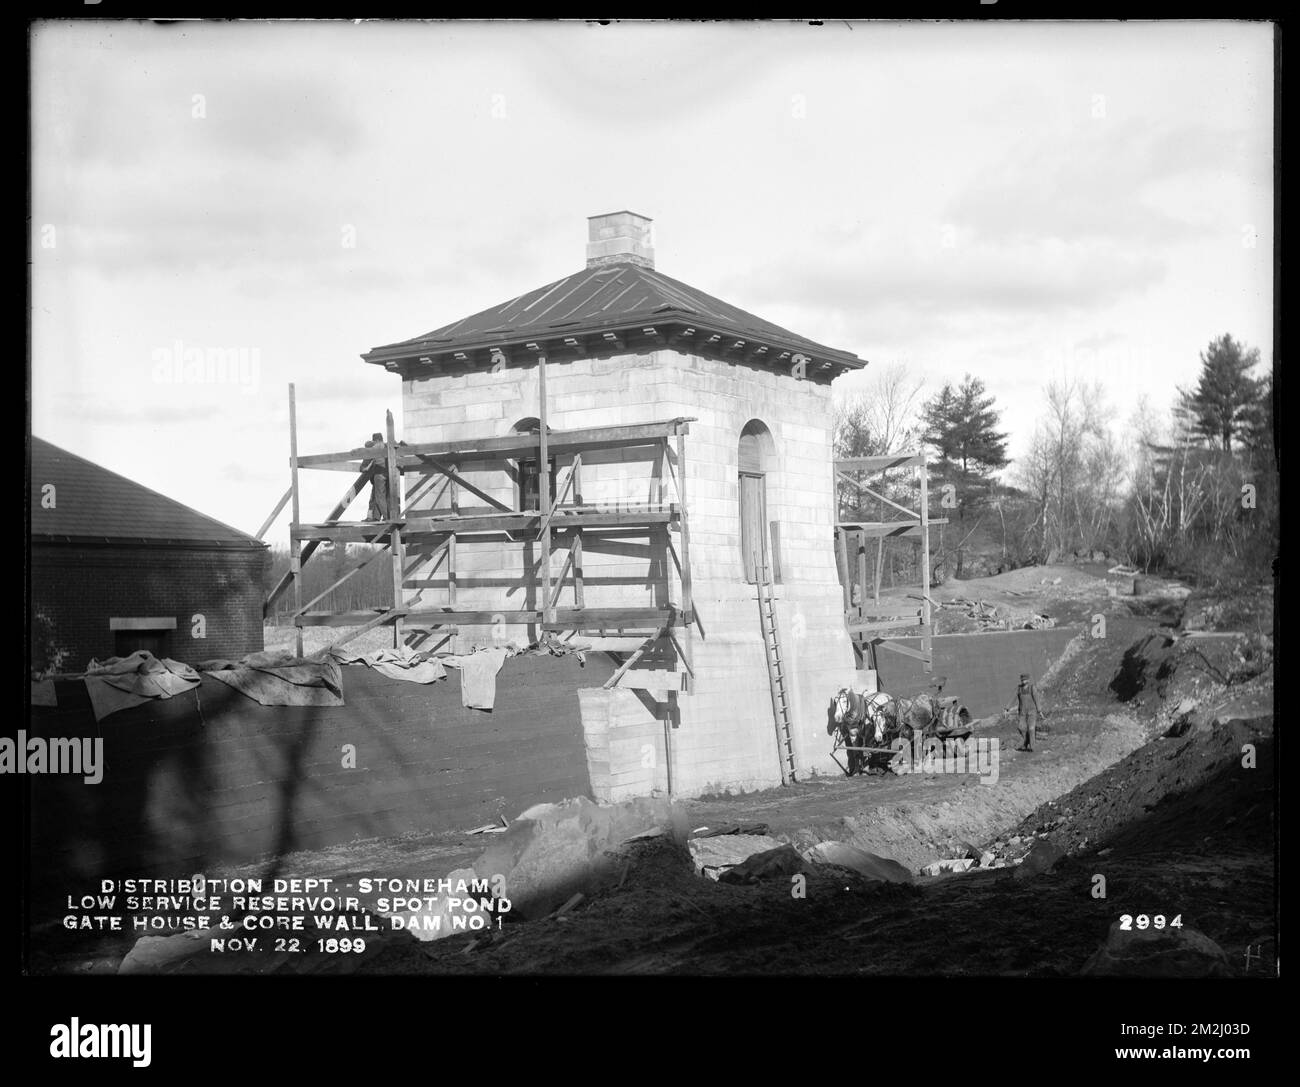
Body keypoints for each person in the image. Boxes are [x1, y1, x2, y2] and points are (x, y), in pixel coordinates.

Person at [1004, 672, 1045, 752]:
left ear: (1028, 680)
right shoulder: (1019, 689)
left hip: (1032, 712)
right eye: (1022, 680)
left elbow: (1036, 699)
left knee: (1031, 728)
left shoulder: (1032, 688)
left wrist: (1039, 711)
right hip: (1022, 713)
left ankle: (1033, 747)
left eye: (1025, 679)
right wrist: (1007, 708)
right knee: (1022, 728)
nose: (1023, 681)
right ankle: (1025, 742)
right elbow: (1012, 698)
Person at [363, 433, 389, 521]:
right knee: (381, 495)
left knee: (379, 497)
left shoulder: (375, 447)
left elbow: (367, 458)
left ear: (376, 440)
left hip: (378, 474)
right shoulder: (386, 446)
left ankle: (386, 517)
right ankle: (376, 517)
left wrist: (364, 467)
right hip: (387, 474)